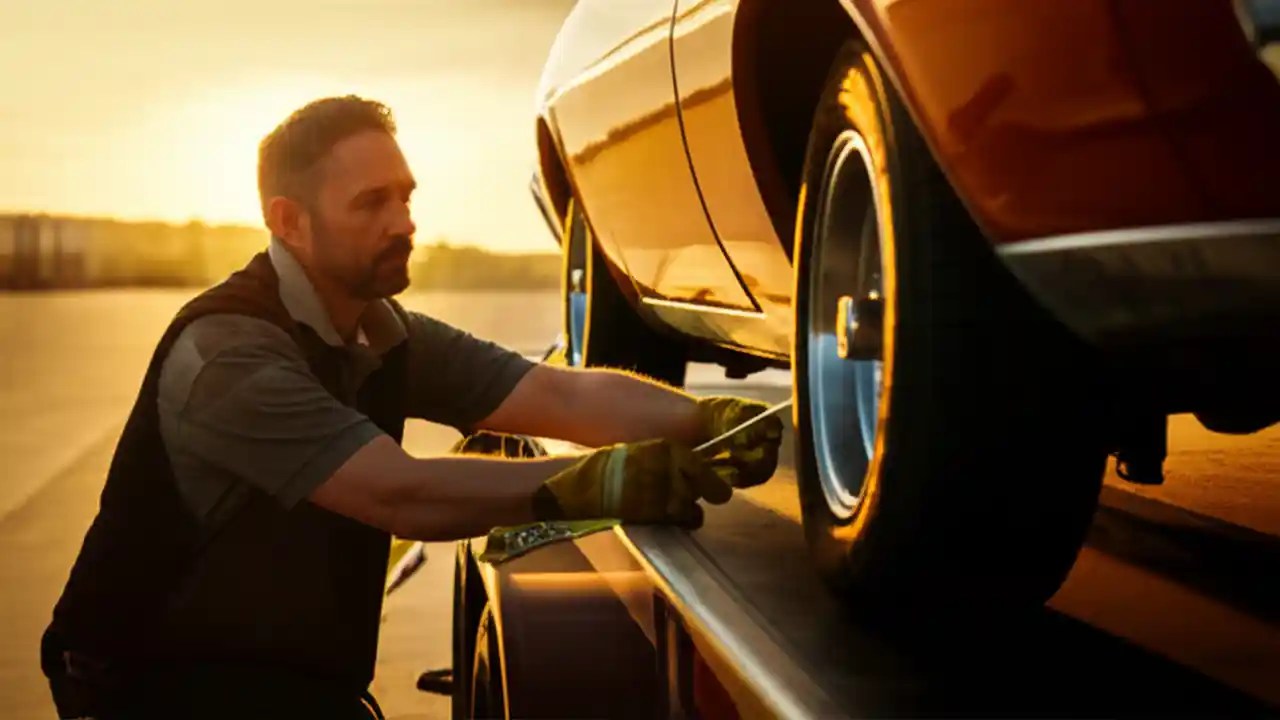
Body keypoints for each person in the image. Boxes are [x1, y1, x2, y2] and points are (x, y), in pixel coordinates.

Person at [40, 95, 783, 719]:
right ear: (289, 222)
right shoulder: (228, 357)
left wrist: (706, 420)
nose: (404, 223)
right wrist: (599, 484)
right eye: (372, 203)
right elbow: (403, 494)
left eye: (406, 196)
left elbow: (555, 393)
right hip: (153, 691)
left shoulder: (379, 330)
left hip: (283, 682)